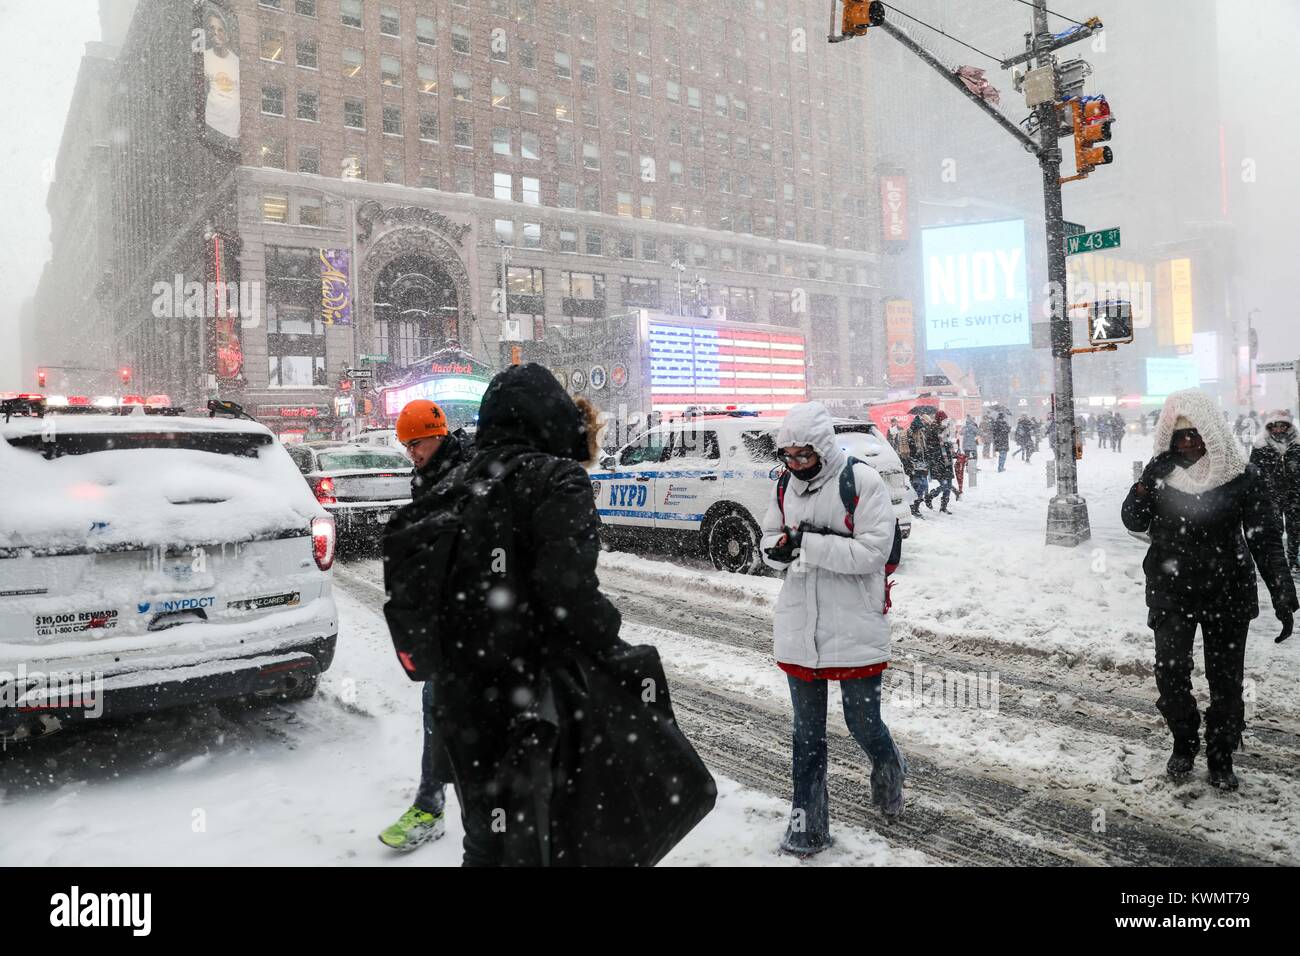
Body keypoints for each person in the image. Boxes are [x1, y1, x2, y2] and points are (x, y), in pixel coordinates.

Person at [413, 364, 626, 864]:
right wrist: (612, 641)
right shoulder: (558, 477)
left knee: (485, 841)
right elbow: (568, 594)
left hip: (459, 700)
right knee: (544, 841)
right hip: (530, 699)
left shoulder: (448, 480)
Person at [1121, 388, 1297, 791]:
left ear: (1213, 433)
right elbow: (1132, 520)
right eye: (1180, 436)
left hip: (1228, 591)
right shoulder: (1160, 474)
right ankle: (1184, 742)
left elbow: (1265, 537)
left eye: (1196, 434)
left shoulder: (1241, 475)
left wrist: (1282, 591)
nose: (1188, 443)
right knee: (1170, 674)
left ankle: (1221, 754)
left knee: (1226, 682)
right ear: (1168, 436)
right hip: (1171, 591)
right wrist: (1145, 483)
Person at [760, 402, 906, 855]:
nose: (796, 464)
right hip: (800, 626)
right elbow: (768, 538)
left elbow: (871, 554)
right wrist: (779, 551)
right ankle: (807, 827)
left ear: (823, 448)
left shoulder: (861, 481)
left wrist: (809, 544)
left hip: (855, 627)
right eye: (788, 456)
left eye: (804, 455)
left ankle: (889, 766)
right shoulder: (785, 484)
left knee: (863, 724)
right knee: (806, 736)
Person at [378, 400, 473, 852]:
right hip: (447, 622)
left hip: (480, 621)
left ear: (438, 434)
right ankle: (431, 804)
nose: (411, 452)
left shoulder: (470, 473)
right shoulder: (427, 478)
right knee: (437, 708)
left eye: (416, 443)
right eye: (406, 445)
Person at [1250, 410, 1300, 571]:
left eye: (1282, 426)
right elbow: (1254, 469)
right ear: (1270, 427)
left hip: (1295, 492)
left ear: (1288, 426)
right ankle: (1278, 560)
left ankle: (1293, 558)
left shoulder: (1297, 443)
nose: (1279, 429)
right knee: (1275, 528)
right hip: (1271, 493)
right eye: (1275, 426)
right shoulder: (1261, 445)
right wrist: (1260, 487)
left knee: (1295, 527)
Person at [900, 414, 931, 518]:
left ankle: (915, 506)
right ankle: (914, 508)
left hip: (921, 465)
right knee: (916, 486)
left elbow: (925, 450)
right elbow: (904, 454)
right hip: (912, 465)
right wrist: (909, 466)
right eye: (918, 429)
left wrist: (927, 461)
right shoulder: (907, 436)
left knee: (922, 486)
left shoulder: (921, 436)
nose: (919, 431)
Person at [924, 411, 956, 513]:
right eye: (944, 419)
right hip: (938, 462)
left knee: (949, 485)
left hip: (946, 461)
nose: (945, 421)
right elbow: (931, 447)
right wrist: (942, 444)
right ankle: (930, 496)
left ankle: (943, 507)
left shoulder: (945, 429)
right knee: (945, 484)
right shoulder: (932, 430)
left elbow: (947, 443)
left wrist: (950, 447)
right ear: (940, 419)